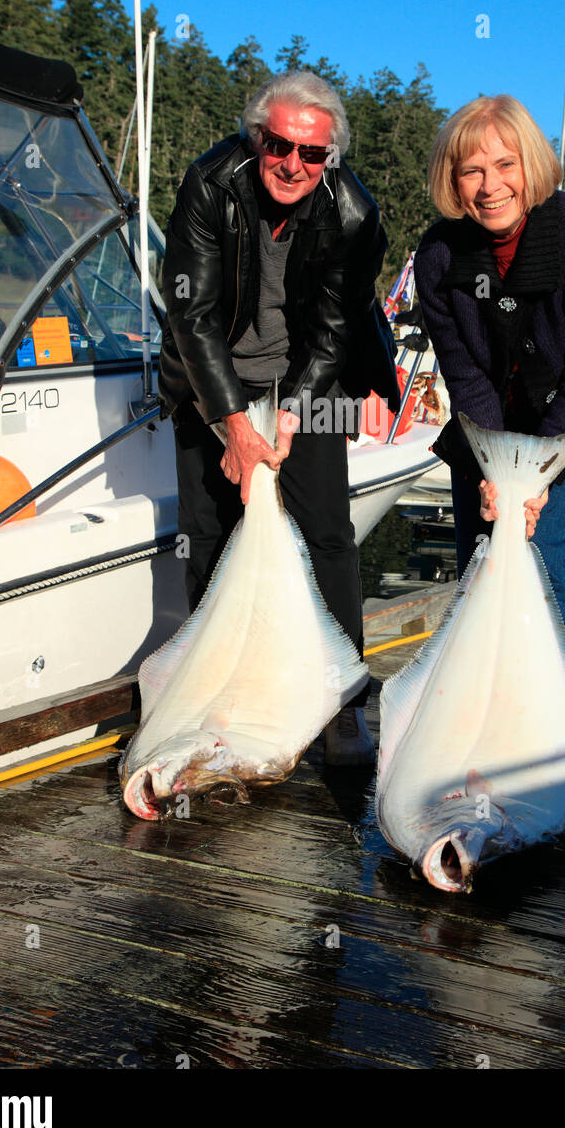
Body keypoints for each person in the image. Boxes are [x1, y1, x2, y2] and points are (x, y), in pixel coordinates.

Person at [157, 70, 399, 763]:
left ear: (331, 159)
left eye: (313, 153)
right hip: (213, 377)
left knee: (327, 534)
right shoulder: (209, 184)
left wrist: (291, 415)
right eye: (279, 145)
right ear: (256, 136)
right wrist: (233, 423)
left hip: (307, 378)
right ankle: (214, 692)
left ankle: (343, 700)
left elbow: (334, 329)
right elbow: (192, 315)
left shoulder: (354, 216)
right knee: (206, 534)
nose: (293, 164)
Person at [413, 94, 565, 654]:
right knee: (480, 549)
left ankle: (558, 698)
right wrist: (494, 473)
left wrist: (534, 478)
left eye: (505, 165)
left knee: (541, 545)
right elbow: (464, 376)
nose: (490, 186)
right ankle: (485, 689)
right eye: (471, 171)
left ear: (530, 165)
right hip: (491, 414)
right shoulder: (439, 256)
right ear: (453, 180)